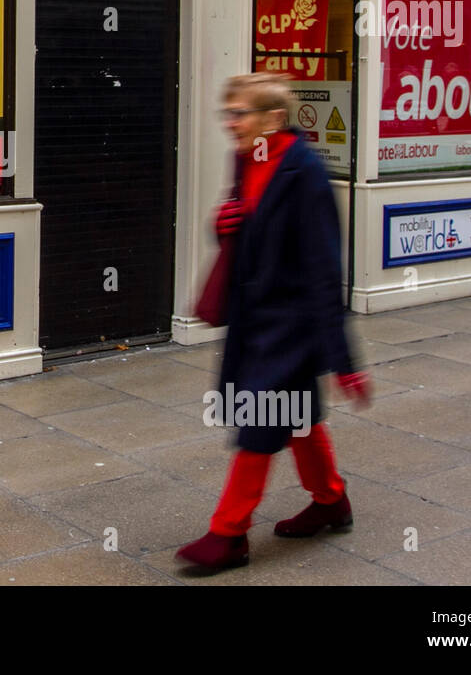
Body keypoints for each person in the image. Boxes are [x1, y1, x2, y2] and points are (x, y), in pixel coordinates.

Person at [175, 72, 371, 573]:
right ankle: (330, 501)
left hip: (293, 323)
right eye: (229, 113)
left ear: (274, 120)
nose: (231, 124)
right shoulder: (248, 158)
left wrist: (344, 360)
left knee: (259, 420)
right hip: (255, 317)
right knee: (298, 417)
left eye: (240, 114)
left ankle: (229, 534)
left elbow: (326, 269)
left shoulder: (305, 174)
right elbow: (244, 226)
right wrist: (223, 226)